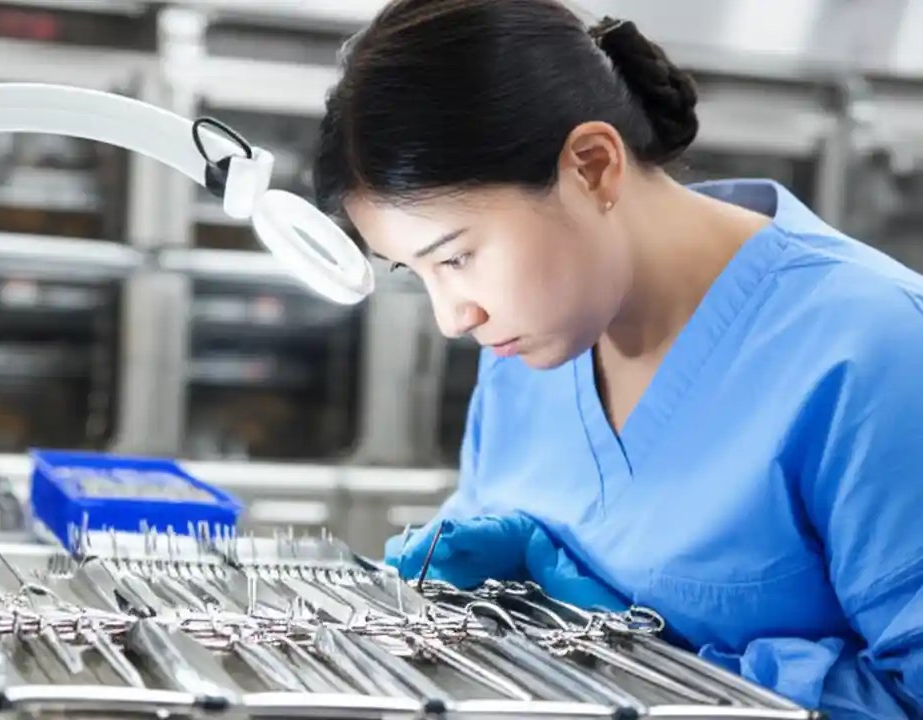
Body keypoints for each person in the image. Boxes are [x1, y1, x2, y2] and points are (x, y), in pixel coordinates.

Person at [313, 0, 923, 717]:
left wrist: (656, 661)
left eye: (457, 257)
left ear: (593, 166)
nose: (454, 318)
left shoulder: (874, 347)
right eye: (414, 273)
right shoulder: (529, 348)